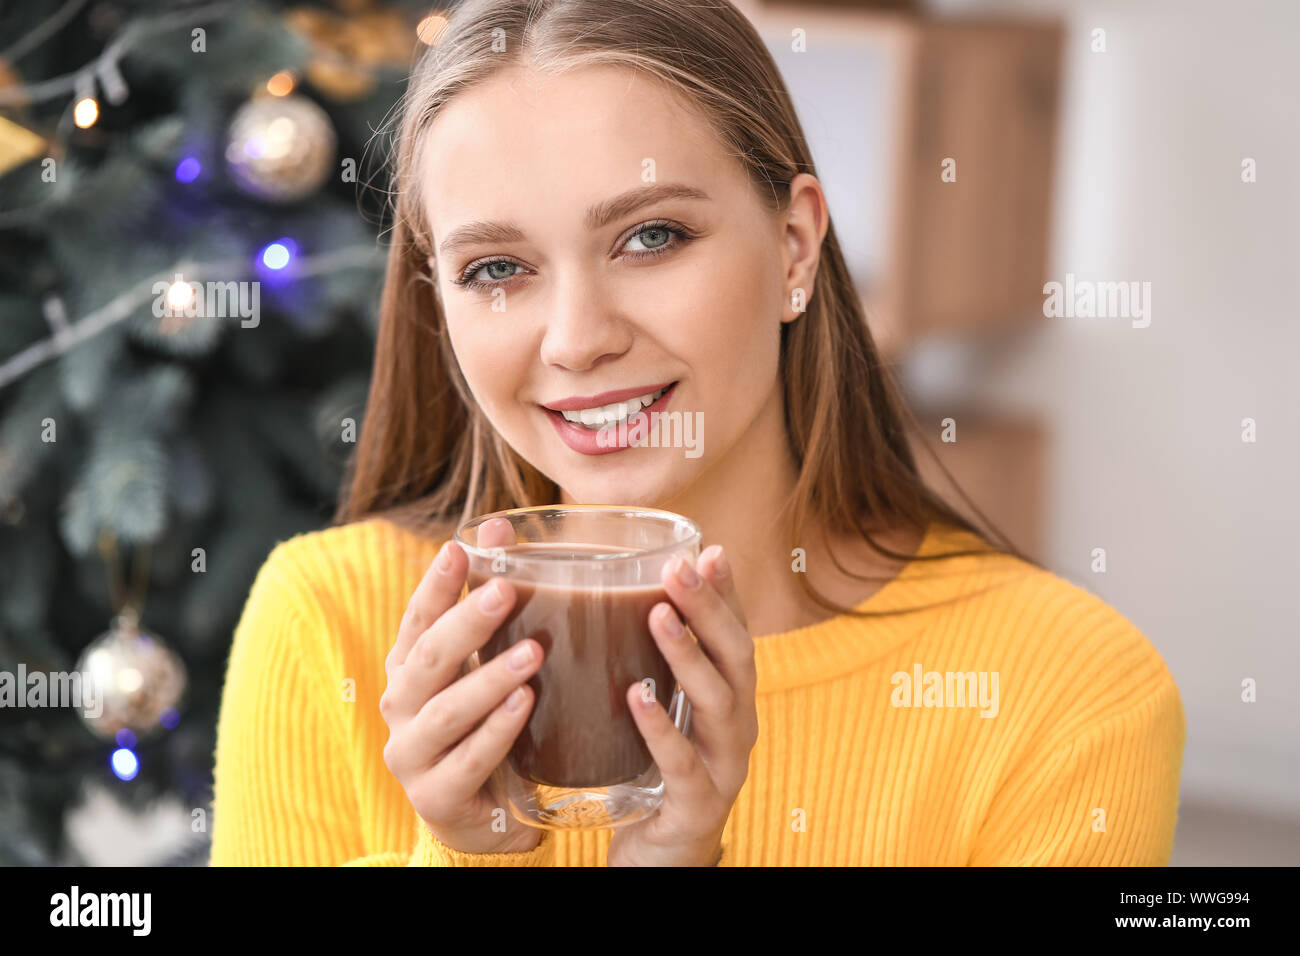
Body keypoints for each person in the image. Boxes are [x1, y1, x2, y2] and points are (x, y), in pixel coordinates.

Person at [210, 0, 1184, 866]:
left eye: (651, 236)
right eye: (496, 268)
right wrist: (470, 855)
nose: (579, 339)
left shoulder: (1065, 694)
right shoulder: (327, 625)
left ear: (794, 244)